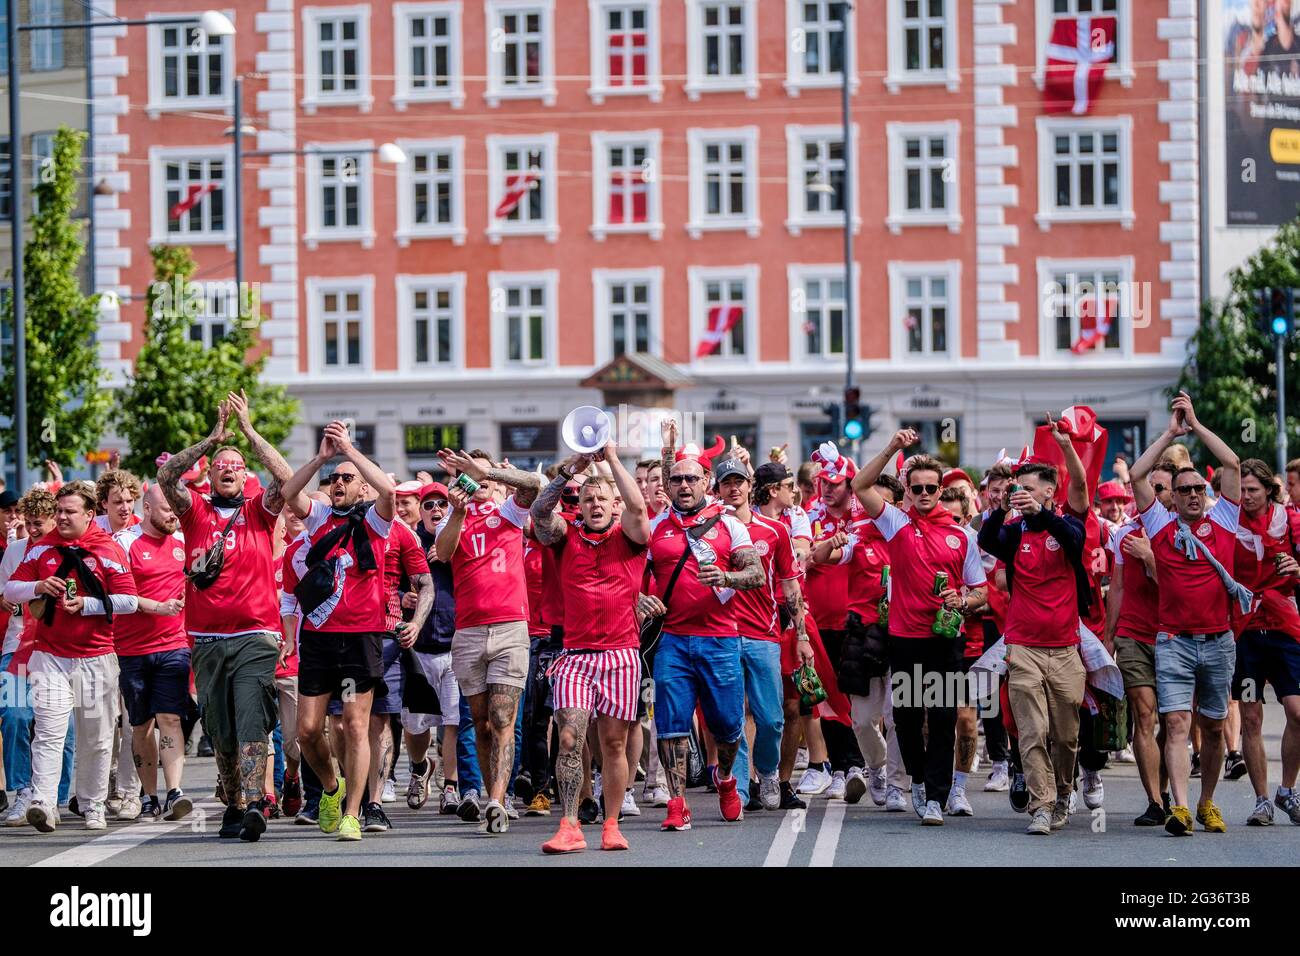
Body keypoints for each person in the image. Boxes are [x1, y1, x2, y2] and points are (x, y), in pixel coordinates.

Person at [157, 391, 293, 843]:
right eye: (221, 465)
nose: (229, 468)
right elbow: (166, 474)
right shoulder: (194, 510)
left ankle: (256, 802)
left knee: (253, 719)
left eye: (236, 465)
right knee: (221, 727)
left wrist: (249, 432)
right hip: (207, 640)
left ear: (245, 476)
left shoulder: (259, 510)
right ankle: (233, 804)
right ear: (211, 475)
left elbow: (286, 478)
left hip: (256, 636)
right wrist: (211, 440)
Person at [851, 431, 987, 826]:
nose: (925, 493)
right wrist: (893, 448)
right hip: (905, 641)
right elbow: (860, 484)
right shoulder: (895, 523)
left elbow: (981, 592)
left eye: (931, 487)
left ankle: (936, 796)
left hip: (946, 641)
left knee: (944, 717)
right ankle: (918, 781)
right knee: (908, 719)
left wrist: (962, 601)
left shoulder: (962, 535)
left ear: (941, 489)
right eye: (917, 488)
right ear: (907, 491)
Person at [638, 428, 765, 829]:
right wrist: (639, 601)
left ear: (706, 482)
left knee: (728, 726)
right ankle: (677, 803)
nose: (684, 485)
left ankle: (726, 779)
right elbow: (632, 577)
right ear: (667, 485)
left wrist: (727, 577)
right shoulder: (656, 526)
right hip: (672, 640)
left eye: (692, 478)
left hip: (721, 640)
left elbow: (757, 574)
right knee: (671, 724)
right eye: (676, 479)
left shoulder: (729, 525)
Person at [1130, 391, 1243, 835]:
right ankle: (1178, 806)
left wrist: (1194, 425)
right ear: (1172, 499)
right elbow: (1139, 473)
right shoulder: (1159, 525)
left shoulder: (1225, 522)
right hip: (1173, 641)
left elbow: (1233, 464)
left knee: (1213, 728)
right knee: (1176, 722)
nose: (1194, 495)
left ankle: (1208, 802)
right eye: (1185, 490)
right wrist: (1169, 433)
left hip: (1218, 640)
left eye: (1199, 488)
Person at [280, 421, 399, 842]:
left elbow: (389, 491)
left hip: (358, 638)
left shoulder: (377, 522)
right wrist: (322, 458)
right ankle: (333, 788)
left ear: (361, 485)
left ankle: (354, 813)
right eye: (335, 479)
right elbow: (288, 494)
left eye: (348, 478)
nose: (339, 484)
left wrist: (351, 449)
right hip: (318, 638)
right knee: (308, 730)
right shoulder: (318, 518)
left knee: (353, 723)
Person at [531, 443, 650, 852]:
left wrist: (612, 460)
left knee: (614, 744)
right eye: (588, 498)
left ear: (613, 504)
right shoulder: (565, 536)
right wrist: (570, 471)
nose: (595, 504)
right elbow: (538, 514)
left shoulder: (631, 537)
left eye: (602, 498)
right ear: (579, 505)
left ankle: (612, 823)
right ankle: (569, 823)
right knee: (569, 738)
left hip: (621, 655)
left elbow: (638, 509)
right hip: (576, 656)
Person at [4, 483, 138, 832]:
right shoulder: (41, 549)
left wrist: (88, 606)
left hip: (96, 657)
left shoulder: (107, 549)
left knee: (96, 735)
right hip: (49, 655)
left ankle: (93, 803)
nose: (61, 517)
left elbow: (129, 600)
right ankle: (44, 803)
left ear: (89, 514)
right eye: (59, 511)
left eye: (69, 512)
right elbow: (10, 589)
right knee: (48, 732)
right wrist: (38, 586)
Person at [433, 448, 543, 834]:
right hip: (469, 632)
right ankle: (489, 794)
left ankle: (497, 799)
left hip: (510, 627)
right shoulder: (452, 515)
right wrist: (458, 512)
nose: (476, 483)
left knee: (502, 718)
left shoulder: (509, 511)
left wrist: (491, 471)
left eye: (481, 478)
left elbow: (535, 485)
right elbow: (443, 554)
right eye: (467, 476)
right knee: (479, 723)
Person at [979, 462, 1090, 835]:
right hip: (1022, 646)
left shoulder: (1068, 527)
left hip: (1065, 648)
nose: (1020, 494)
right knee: (1032, 730)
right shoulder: (1013, 532)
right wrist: (999, 508)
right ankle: (1041, 805)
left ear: (1048, 492)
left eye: (1028, 488)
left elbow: (1074, 539)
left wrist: (1042, 515)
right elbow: (986, 540)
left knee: (1066, 734)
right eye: (1017, 488)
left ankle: (1063, 793)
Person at [711, 451, 809, 813]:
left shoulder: (775, 530)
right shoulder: (708, 528)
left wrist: (801, 636)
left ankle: (767, 771)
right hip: (719, 636)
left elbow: (790, 586)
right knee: (731, 719)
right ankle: (737, 789)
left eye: (739, 482)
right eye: (726, 483)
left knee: (772, 718)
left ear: (750, 487)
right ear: (717, 489)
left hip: (763, 636)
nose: (733, 488)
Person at [113, 484, 193, 821]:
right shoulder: (124, 542)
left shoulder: (183, 541)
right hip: (131, 648)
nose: (174, 515)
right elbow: (118, 594)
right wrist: (157, 607)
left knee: (170, 717)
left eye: (177, 508)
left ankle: (175, 791)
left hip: (174, 644)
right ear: (147, 508)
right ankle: (149, 796)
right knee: (141, 724)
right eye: (166, 509)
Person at [1229, 459, 1300, 826]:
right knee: (1251, 717)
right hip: (1244, 633)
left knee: (1297, 711)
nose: (1246, 497)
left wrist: (1298, 570)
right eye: (1241, 490)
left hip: (1284, 626)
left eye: (1253, 490)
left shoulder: (1289, 519)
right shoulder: (1229, 520)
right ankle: (1262, 801)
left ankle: (1286, 790)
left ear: (1269, 491)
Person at [0, 489, 75, 825]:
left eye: (38, 523)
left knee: (64, 726)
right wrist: (20, 599)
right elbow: (5, 595)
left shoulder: (67, 550)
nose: (31, 529)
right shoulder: (15, 551)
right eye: (28, 522)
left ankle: (53, 797)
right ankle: (22, 792)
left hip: (59, 648)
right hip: (17, 647)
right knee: (15, 716)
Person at [1106, 460, 1174, 826]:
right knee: (1144, 715)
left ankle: (1166, 789)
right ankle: (1154, 802)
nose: (1153, 495)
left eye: (1161, 489)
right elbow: (1116, 587)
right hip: (1134, 634)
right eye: (1149, 488)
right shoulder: (1123, 534)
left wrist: (1151, 558)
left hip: (1175, 637)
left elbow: (1182, 592)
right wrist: (1109, 636)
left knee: (1172, 721)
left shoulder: (1184, 535)